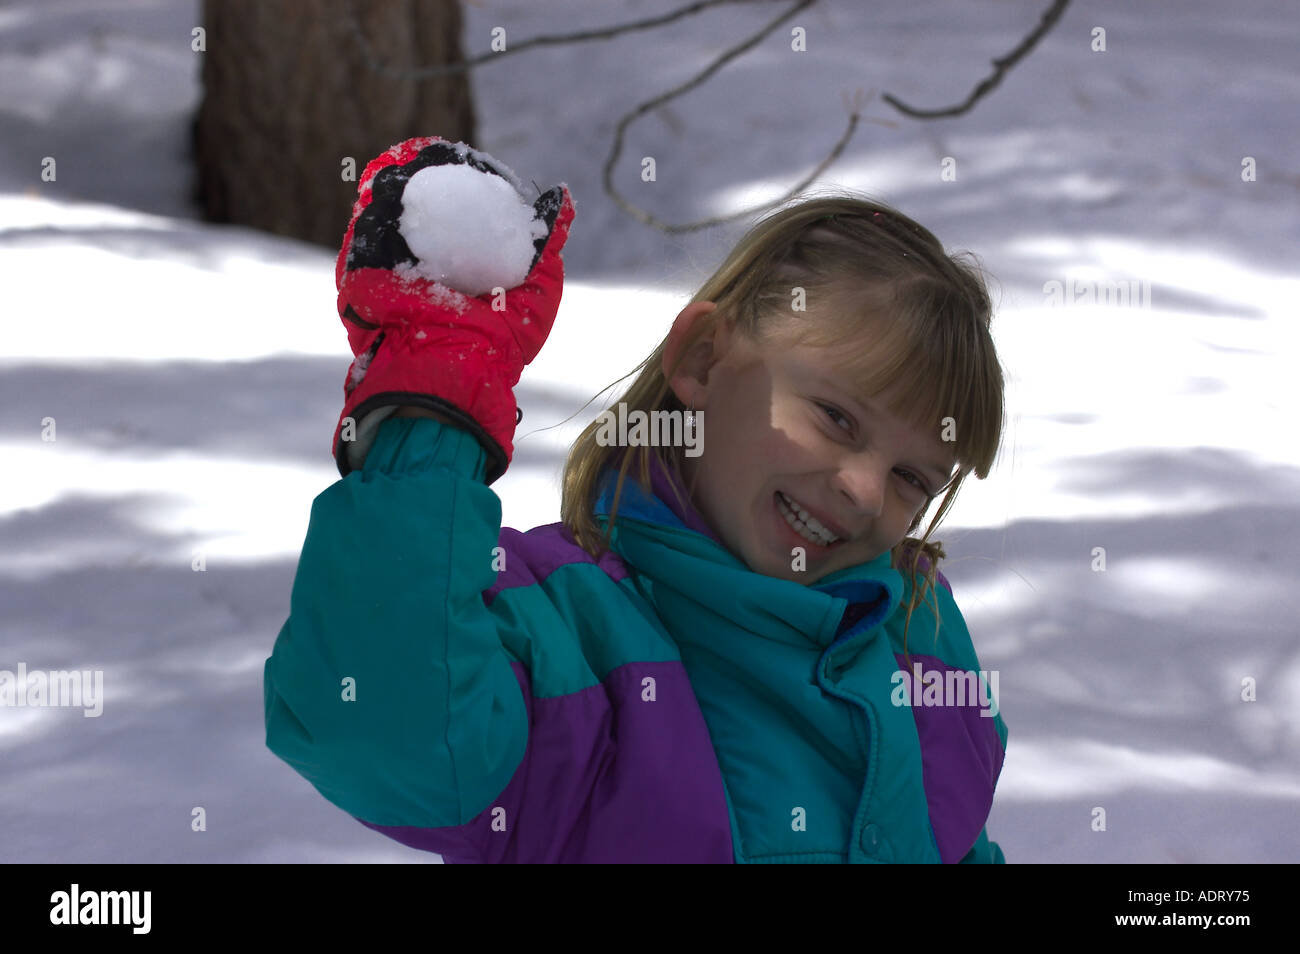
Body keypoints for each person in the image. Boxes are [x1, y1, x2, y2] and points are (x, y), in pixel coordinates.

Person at [263, 135, 1009, 863]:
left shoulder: (916, 637)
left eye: (915, 478)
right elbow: (380, 733)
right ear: (703, 359)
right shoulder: (562, 633)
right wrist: (434, 404)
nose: (864, 487)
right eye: (836, 419)